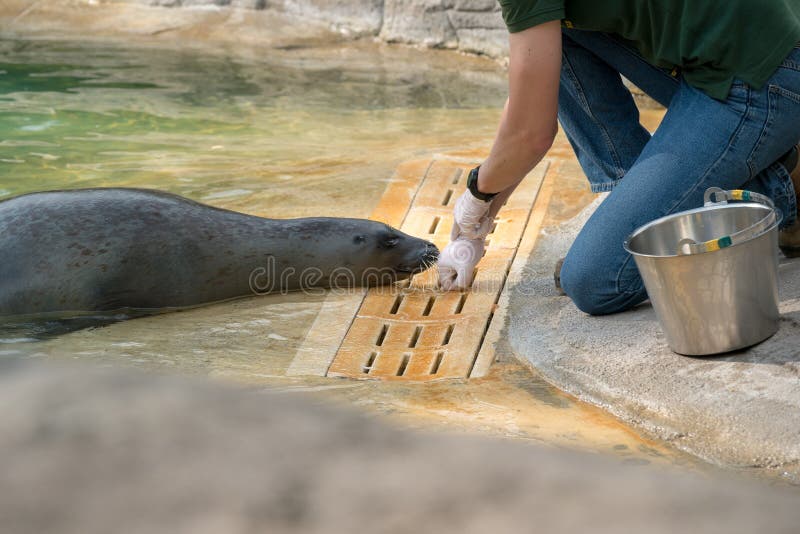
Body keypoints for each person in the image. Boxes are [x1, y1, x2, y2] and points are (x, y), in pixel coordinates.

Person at [437, 1, 800, 315]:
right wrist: (487, 211)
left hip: (764, 70)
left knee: (594, 279)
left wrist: (477, 195)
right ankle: (640, 197)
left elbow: (530, 133)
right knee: (559, 33)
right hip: (746, 40)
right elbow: (531, 94)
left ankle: (784, 176)